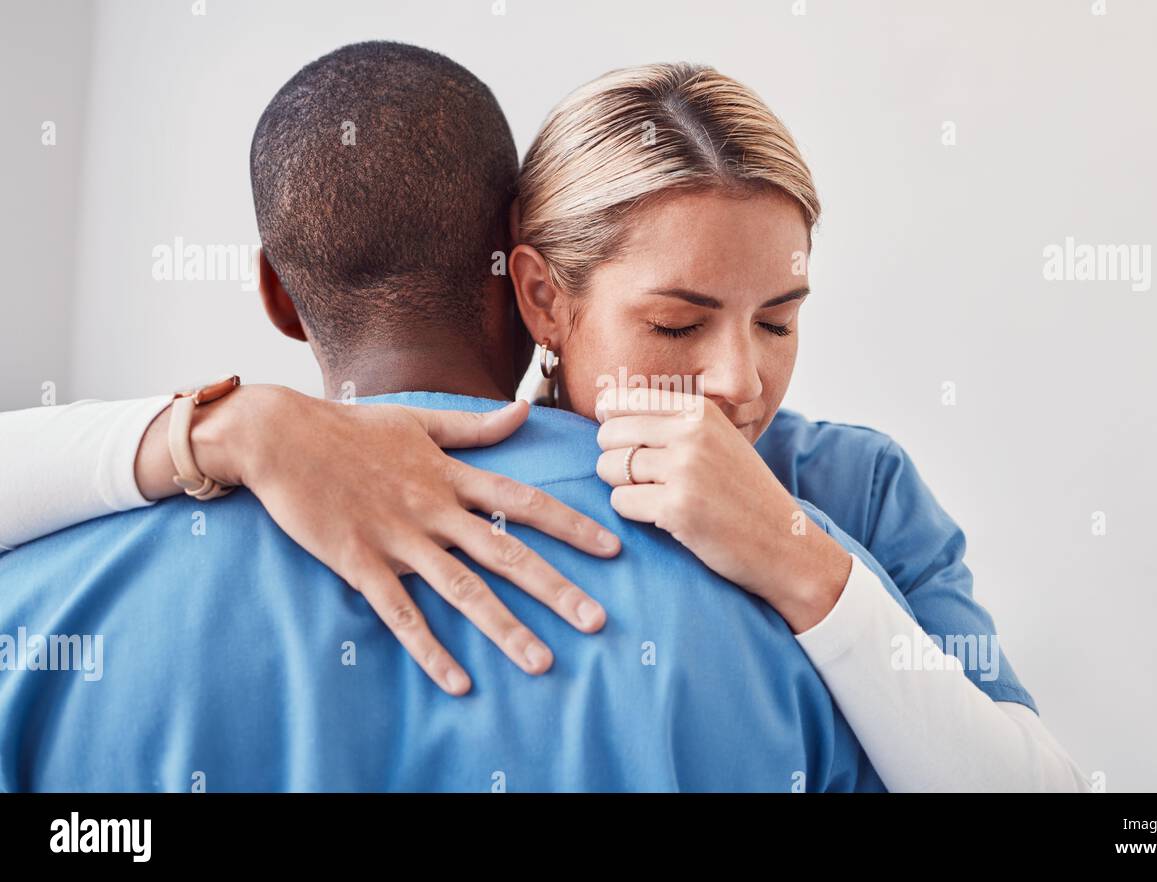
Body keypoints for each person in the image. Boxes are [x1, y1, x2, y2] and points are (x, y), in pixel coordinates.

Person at [0, 43, 1088, 791]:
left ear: (278, 295)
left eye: (779, 321)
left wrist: (803, 565)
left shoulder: (850, 496)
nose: (737, 384)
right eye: (675, 326)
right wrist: (223, 429)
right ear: (538, 297)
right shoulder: (245, 465)